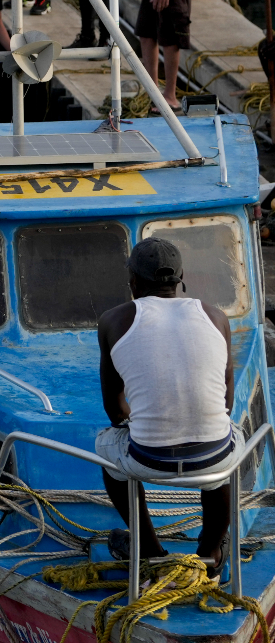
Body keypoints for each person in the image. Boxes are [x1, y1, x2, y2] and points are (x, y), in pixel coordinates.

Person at [96, 237, 237, 576]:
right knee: (225, 438)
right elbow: (227, 404)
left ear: (133, 280)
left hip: (148, 460)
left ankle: (149, 550)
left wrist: (148, 426)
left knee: (105, 447)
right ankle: (211, 551)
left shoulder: (113, 321)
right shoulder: (216, 317)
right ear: (181, 277)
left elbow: (114, 412)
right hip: (212, 461)